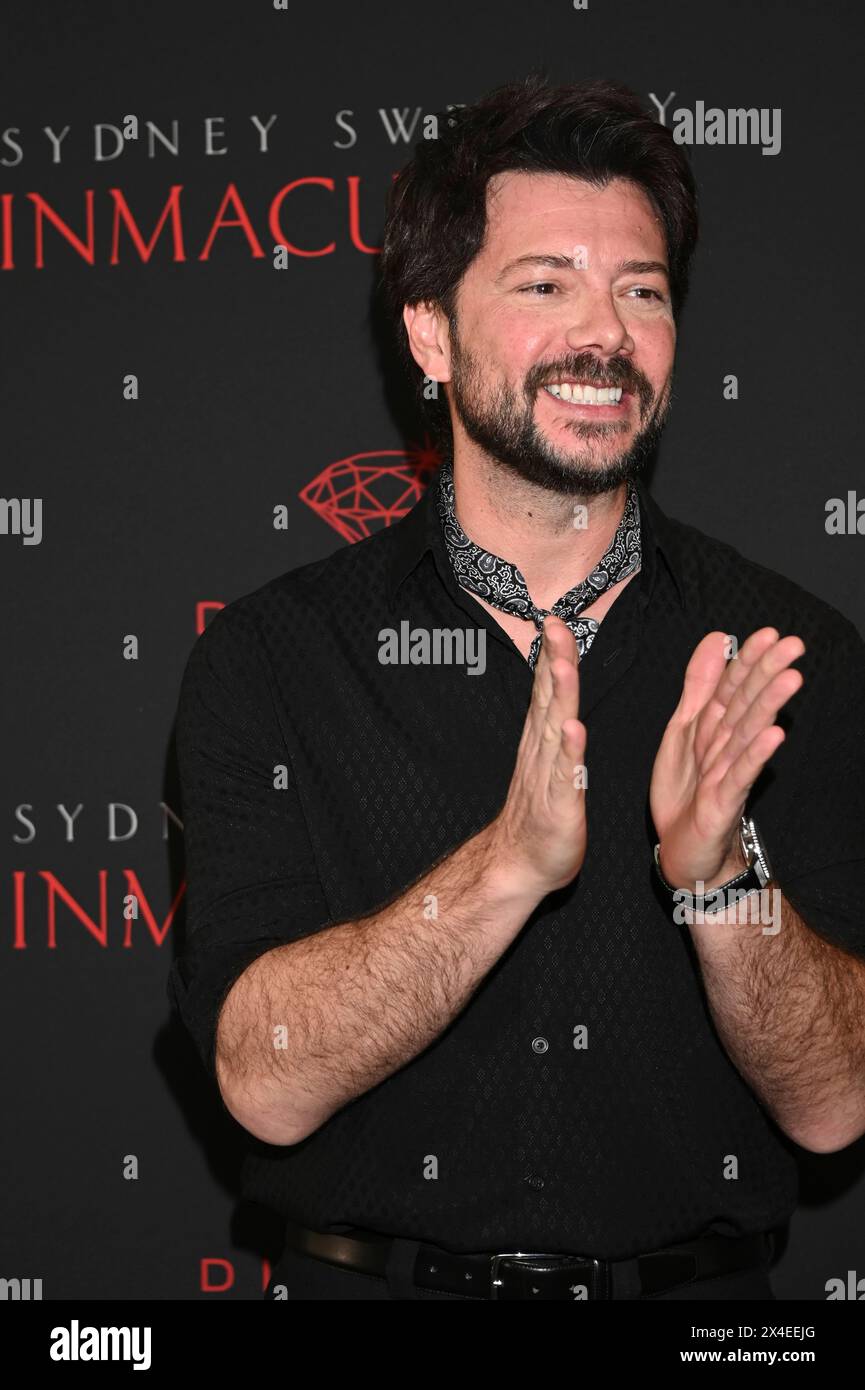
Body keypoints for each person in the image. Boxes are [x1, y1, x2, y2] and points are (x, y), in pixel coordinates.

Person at [167, 73, 865, 1301]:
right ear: (430, 332)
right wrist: (502, 872)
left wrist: (721, 887)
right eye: (545, 284)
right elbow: (263, 1086)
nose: (604, 334)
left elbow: (834, 1105)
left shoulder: (782, 655)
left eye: (639, 291)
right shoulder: (275, 659)